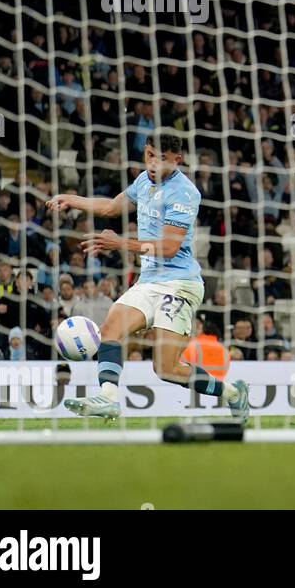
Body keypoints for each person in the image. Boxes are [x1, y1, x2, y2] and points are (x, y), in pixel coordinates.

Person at [47, 131, 249, 421]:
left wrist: (120, 244)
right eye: (149, 155)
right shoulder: (143, 181)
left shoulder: (184, 192)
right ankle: (108, 398)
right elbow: (110, 207)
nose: (153, 164)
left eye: (162, 159)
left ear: (177, 160)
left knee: (166, 369)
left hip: (180, 284)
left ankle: (232, 392)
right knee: (110, 329)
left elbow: (168, 248)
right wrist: (71, 199)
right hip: (149, 281)